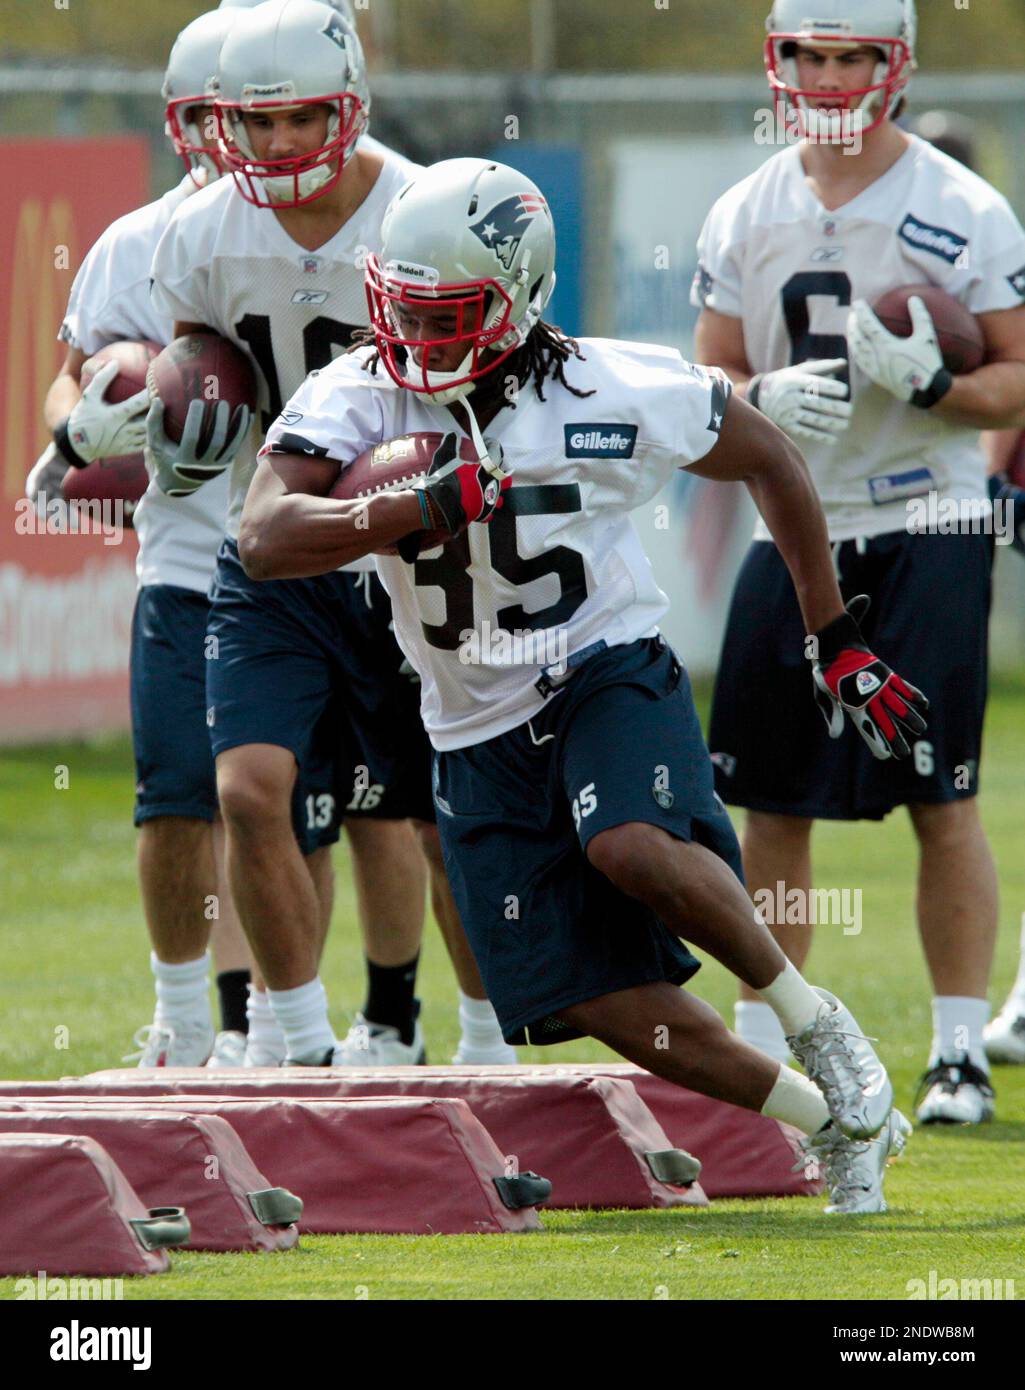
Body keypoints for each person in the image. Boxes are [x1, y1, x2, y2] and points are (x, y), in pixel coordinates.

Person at [238, 155, 928, 1212]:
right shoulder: (354, 393)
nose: (417, 343)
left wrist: (830, 634)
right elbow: (263, 538)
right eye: (403, 313)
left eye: (448, 315)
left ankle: (811, 1017)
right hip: (467, 724)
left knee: (627, 842)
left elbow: (771, 460)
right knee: (602, 998)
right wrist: (403, 508)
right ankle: (832, 1119)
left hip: (599, 669)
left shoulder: (611, 384)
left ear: (517, 301)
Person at [150, 0, 513, 1067]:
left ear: (348, 106)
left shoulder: (422, 210)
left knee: (443, 810)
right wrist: (184, 421)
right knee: (248, 788)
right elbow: (197, 358)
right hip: (276, 541)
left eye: (298, 120)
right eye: (249, 125)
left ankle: (485, 1038)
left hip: (413, 550)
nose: (270, 146)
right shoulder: (201, 228)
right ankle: (296, 1041)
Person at [692, 0, 1025, 1123]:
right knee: (767, 800)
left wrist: (932, 385)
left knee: (940, 793)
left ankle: (954, 1054)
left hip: (928, 514)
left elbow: (1016, 380)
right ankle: (769, 1049)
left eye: (851, 56)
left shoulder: (959, 205)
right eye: (807, 55)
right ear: (776, 61)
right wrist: (759, 405)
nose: (828, 78)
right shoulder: (744, 209)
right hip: (796, 526)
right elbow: (710, 386)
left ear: (894, 67)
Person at [31, 7, 259, 1069]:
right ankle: (185, 1024)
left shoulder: (337, 233)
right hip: (183, 555)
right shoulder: (134, 241)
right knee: (176, 795)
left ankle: (317, 1026)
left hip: (305, 556)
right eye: (216, 114)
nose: (235, 135)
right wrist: (76, 426)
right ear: (182, 121)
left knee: (313, 813)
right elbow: (67, 376)